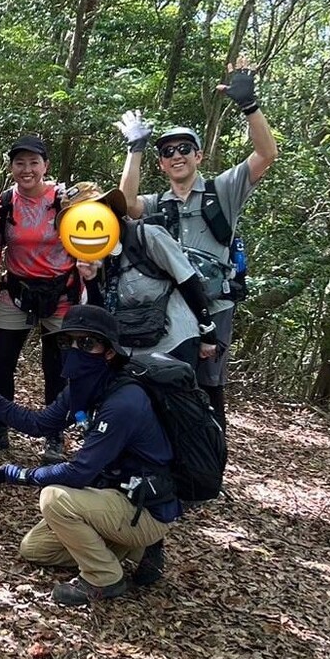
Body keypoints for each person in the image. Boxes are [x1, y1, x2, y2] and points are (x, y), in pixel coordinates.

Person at [0, 306, 179, 606]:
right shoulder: (82, 387)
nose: (75, 350)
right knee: (34, 548)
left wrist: (15, 474)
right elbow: (39, 424)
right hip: (110, 497)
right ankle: (131, 550)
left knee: (54, 499)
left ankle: (104, 577)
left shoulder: (124, 402)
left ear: (109, 352)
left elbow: (79, 472)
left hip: (143, 506)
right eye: (68, 342)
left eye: (87, 343)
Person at [117, 59, 278, 425]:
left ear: (198, 155)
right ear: (161, 163)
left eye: (184, 148)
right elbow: (127, 204)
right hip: (172, 309)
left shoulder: (222, 191)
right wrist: (135, 148)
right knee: (168, 381)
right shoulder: (159, 204)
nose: (176, 155)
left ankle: (209, 462)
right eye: (168, 151)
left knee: (210, 386)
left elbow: (266, 155)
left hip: (216, 305)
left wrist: (249, 106)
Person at [0, 134, 83, 461]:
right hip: (16, 293)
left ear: (45, 165)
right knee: (2, 362)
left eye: (34, 162)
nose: (27, 169)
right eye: (20, 163)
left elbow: (89, 242)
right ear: (11, 166)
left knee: (57, 367)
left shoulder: (64, 201)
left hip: (61, 296)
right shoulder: (2, 205)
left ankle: (54, 436)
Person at [63, 183, 219, 371]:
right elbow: (99, 317)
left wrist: (208, 332)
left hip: (174, 342)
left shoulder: (147, 236)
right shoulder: (91, 256)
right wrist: (91, 279)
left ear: (109, 208)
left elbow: (187, 280)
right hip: (129, 350)